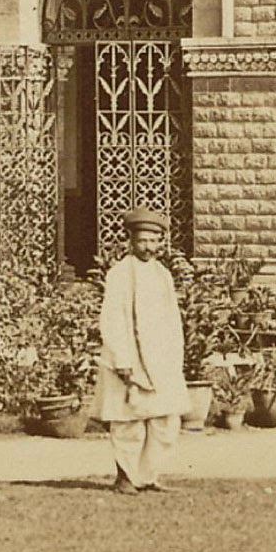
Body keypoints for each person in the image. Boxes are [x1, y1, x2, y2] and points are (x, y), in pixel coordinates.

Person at [97, 208, 191, 491]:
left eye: (154, 241)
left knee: (165, 419)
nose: (149, 247)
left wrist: (174, 357)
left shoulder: (162, 274)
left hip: (160, 358)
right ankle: (126, 476)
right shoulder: (120, 274)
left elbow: (171, 320)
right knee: (129, 421)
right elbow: (112, 317)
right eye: (143, 241)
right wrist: (122, 359)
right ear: (131, 240)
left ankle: (148, 475)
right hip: (129, 357)